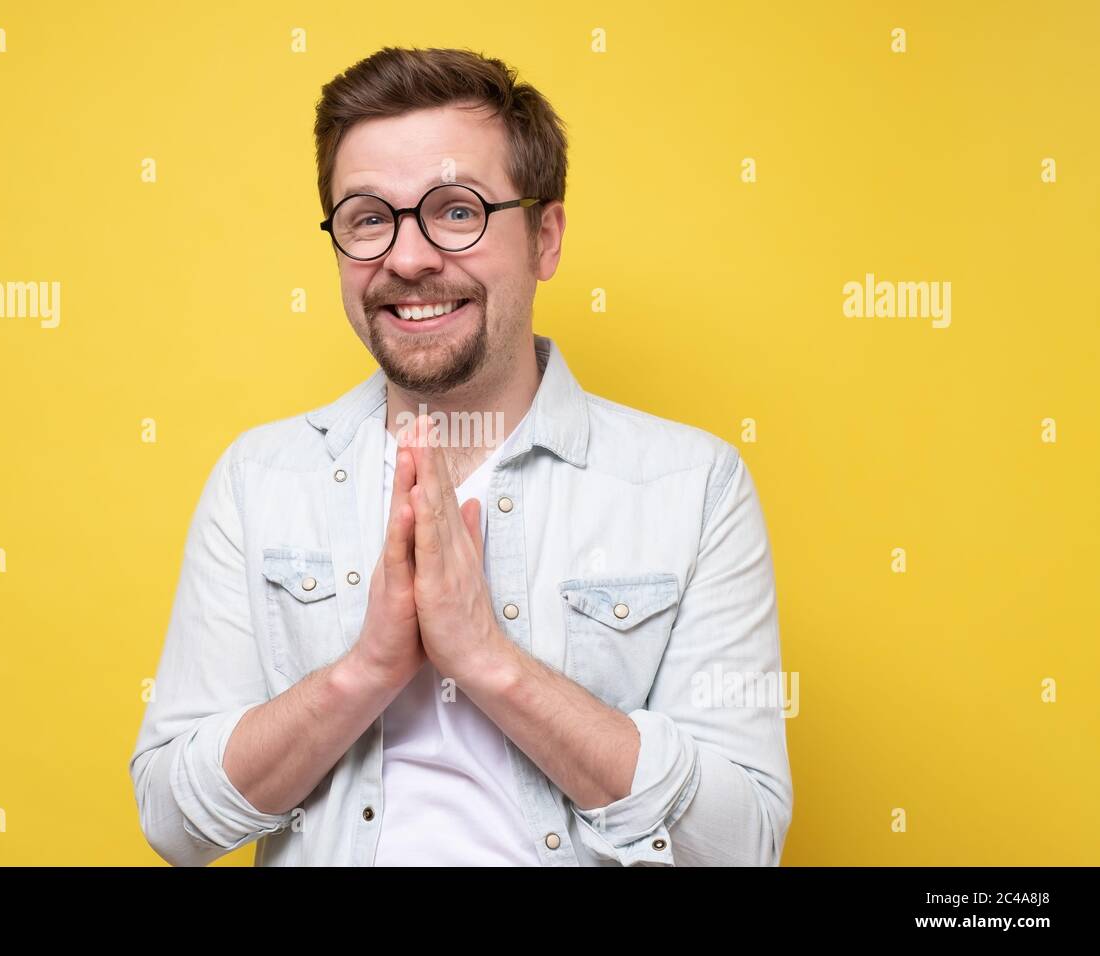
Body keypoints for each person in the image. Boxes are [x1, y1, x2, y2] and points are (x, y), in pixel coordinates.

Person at [129, 45, 792, 867]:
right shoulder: (259, 481)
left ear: (543, 239)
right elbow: (173, 823)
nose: (407, 259)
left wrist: (490, 662)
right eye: (368, 217)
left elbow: (740, 847)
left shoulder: (694, 487)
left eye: (455, 211)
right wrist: (364, 672)